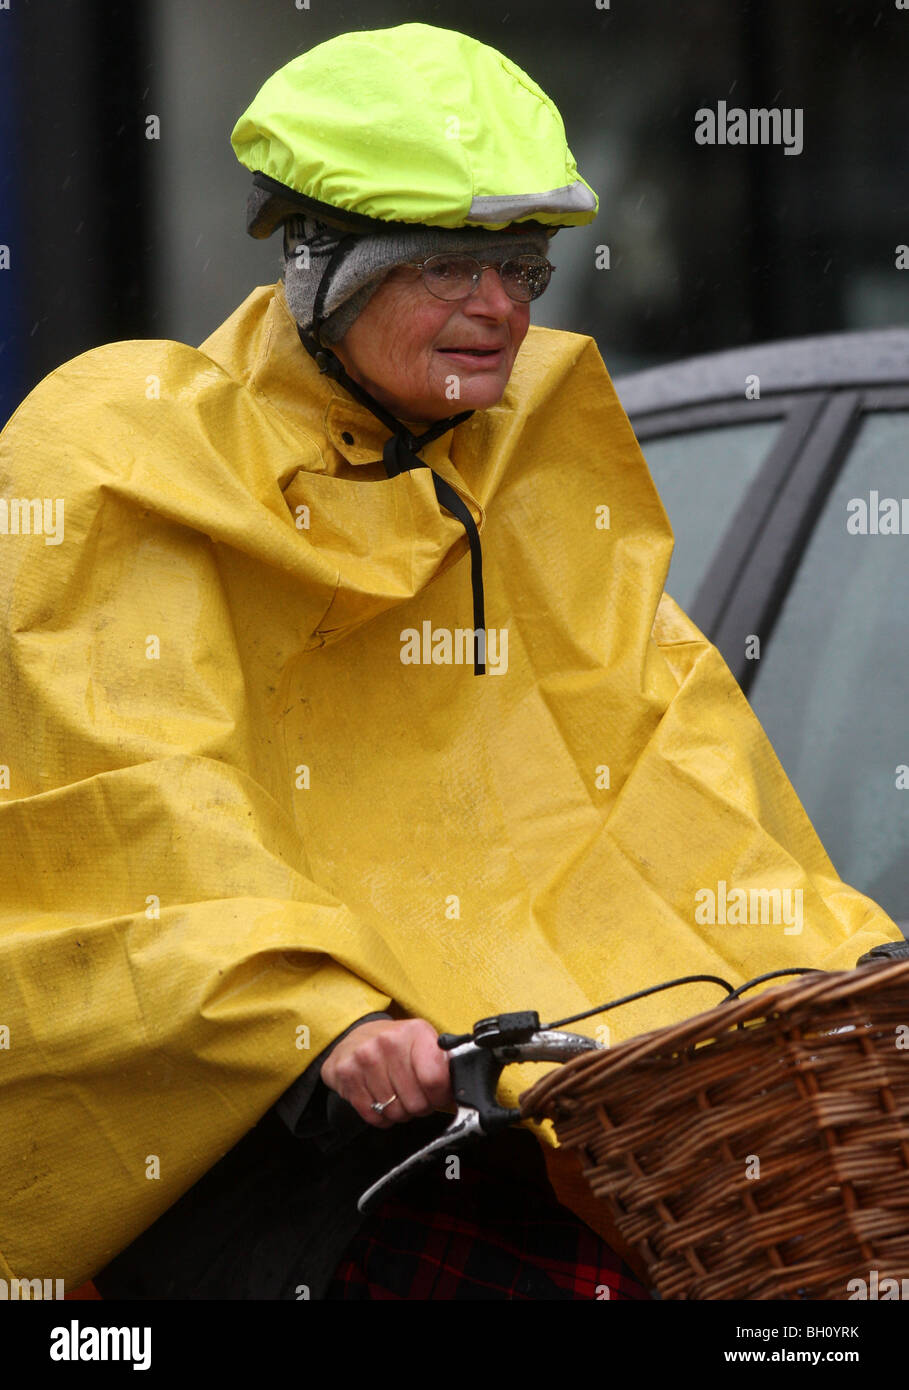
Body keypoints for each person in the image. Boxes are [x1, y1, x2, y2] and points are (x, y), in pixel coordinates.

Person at [0, 22, 901, 1302]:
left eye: (523, 269)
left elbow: (663, 741)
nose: (503, 311)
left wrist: (833, 953)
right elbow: (141, 795)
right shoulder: (130, 451)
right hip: (256, 1132)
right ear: (317, 265)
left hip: (557, 1116)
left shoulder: (537, 448)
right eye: (446, 268)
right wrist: (320, 1016)